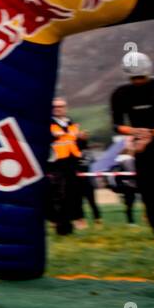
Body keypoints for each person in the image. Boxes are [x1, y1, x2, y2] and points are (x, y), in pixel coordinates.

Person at [110, 52, 154, 281]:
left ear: (148, 71)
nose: (138, 82)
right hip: (143, 154)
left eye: (141, 77)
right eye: (134, 78)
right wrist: (132, 132)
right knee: (153, 207)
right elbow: (116, 124)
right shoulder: (121, 93)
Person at [47, 98, 84, 236]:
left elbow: (74, 143)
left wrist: (82, 142)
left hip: (72, 163)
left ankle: (68, 225)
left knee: (72, 195)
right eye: (55, 107)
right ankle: (61, 226)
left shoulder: (71, 123)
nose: (58, 109)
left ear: (66, 108)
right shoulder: (48, 124)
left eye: (61, 106)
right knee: (59, 195)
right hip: (56, 164)